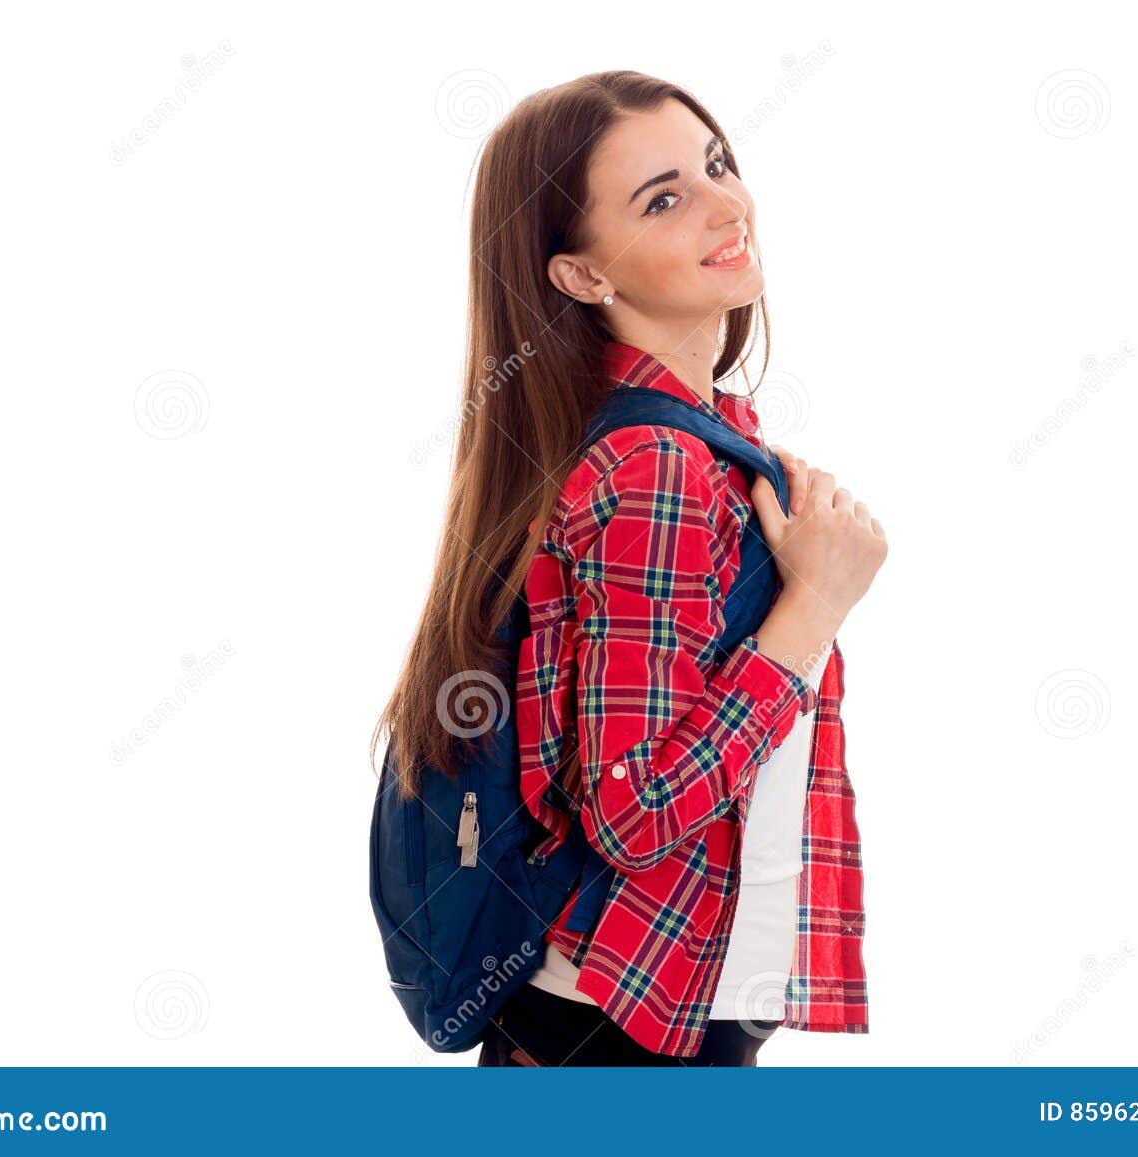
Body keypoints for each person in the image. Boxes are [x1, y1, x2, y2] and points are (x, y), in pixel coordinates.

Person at [373, 70, 887, 1067]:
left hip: (638, 1014)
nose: (725, 203)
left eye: (716, 164)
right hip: (619, 1031)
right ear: (580, 275)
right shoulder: (654, 464)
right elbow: (635, 809)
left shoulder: (700, 437)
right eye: (664, 198)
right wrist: (812, 607)